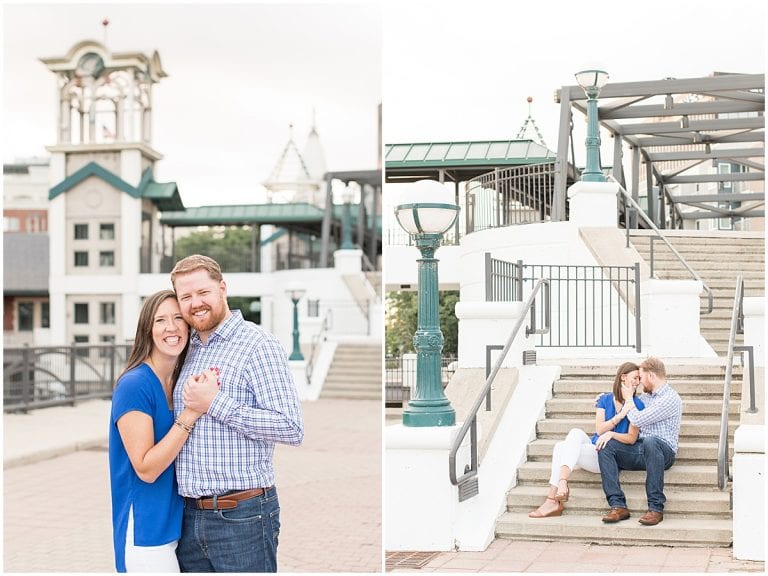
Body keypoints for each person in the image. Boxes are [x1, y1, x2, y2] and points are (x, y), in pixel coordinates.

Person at [169, 254, 305, 573]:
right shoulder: (185, 349)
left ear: (222, 288)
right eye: (185, 296)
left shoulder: (258, 345)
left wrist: (215, 403)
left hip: (242, 515)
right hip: (188, 516)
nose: (195, 303)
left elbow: (291, 427)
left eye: (203, 292)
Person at [108, 290, 216, 572]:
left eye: (178, 318)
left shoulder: (176, 382)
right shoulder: (135, 384)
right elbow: (146, 469)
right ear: (148, 329)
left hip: (175, 528)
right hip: (146, 534)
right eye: (160, 320)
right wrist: (191, 413)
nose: (172, 327)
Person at [529, 362, 643, 518]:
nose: (637, 382)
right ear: (623, 377)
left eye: (639, 379)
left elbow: (631, 438)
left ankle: (553, 498)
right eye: (635, 377)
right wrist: (621, 415)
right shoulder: (605, 399)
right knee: (573, 434)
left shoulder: (638, 405)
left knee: (561, 448)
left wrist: (613, 432)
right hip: (594, 446)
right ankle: (562, 483)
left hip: (608, 456)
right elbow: (600, 430)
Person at [598, 356, 682, 526]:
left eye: (641, 378)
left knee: (651, 441)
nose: (639, 383)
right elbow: (625, 402)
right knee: (606, 445)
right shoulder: (646, 397)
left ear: (651, 376)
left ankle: (655, 508)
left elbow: (636, 419)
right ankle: (618, 506)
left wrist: (629, 399)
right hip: (641, 450)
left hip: (663, 452)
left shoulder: (670, 398)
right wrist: (606, 397)